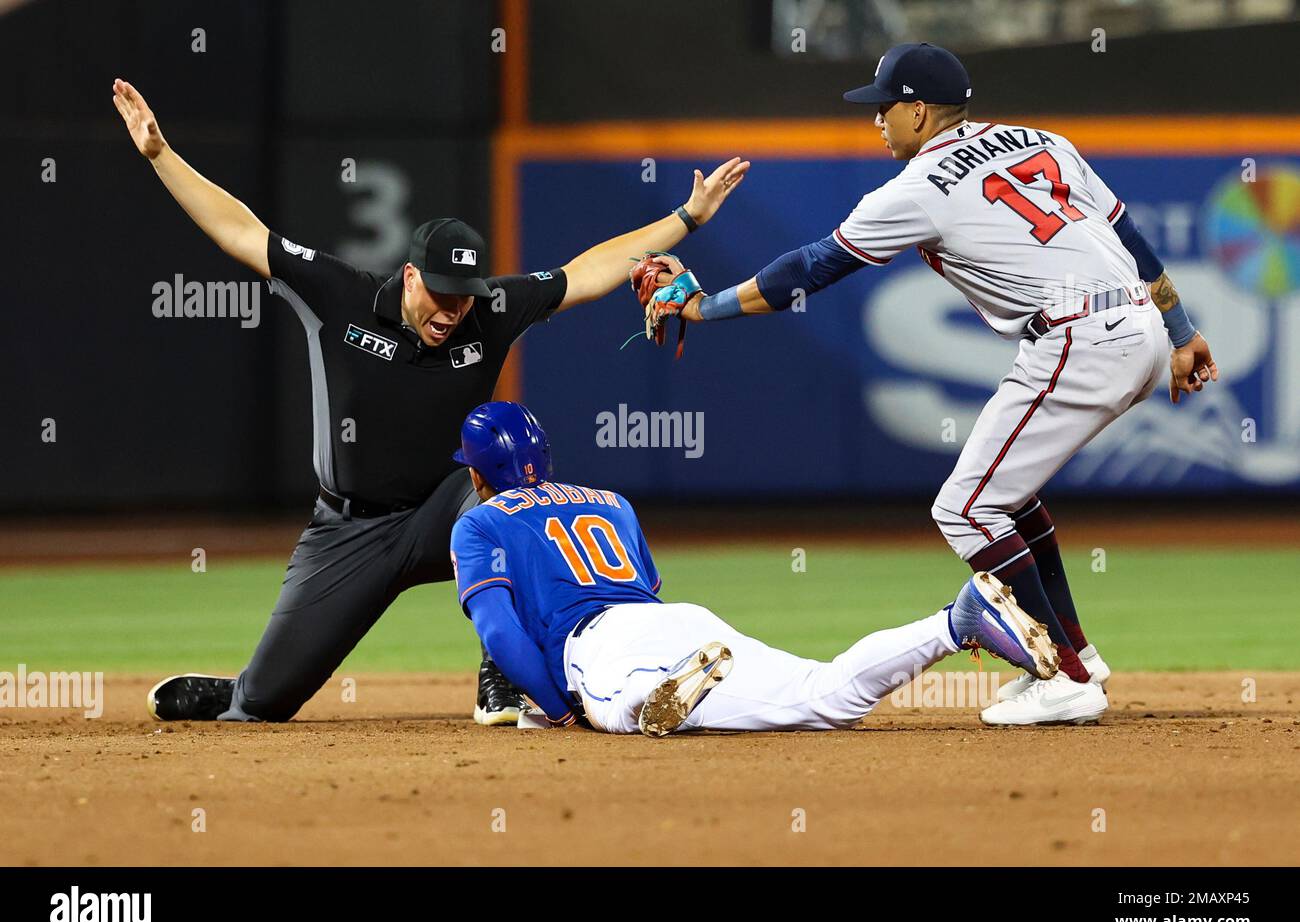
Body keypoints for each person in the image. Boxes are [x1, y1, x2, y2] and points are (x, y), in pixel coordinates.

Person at [110, 78, 749, 723]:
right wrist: (162, 155)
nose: (455, 309)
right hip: (349, 529)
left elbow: (585, 273)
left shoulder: (488, 311)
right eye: (442, 293)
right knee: (267, 704)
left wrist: (686, 219)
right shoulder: (343, 297)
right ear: (411, 275)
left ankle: (505, 671)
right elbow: (241, 233)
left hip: (450, 508)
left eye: (465, 294)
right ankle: (243, 688)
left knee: (510, 484)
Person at [644, 43, 1219, 726]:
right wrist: (1180, 333)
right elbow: (1132, 238)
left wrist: (704, 306)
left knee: (966, 509)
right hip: (1135, 325)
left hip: (1080, 336)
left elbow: (812, 267)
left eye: (885, 106)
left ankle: (1065, 679)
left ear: (919, 110)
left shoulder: (918, 186)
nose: (876, 119)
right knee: (1007, 496)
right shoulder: (1042, 140)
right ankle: (1074, 654)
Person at [447, 401, 1061, 736]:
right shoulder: (611, 501)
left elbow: (499, 632)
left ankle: (644, 697)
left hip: (601, 645)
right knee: (826, 694)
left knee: (611, 714)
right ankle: (955, 623)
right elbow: (647, 589)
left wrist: (557, 711)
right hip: (682, 624)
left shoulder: (478, 522)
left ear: (476, 475)